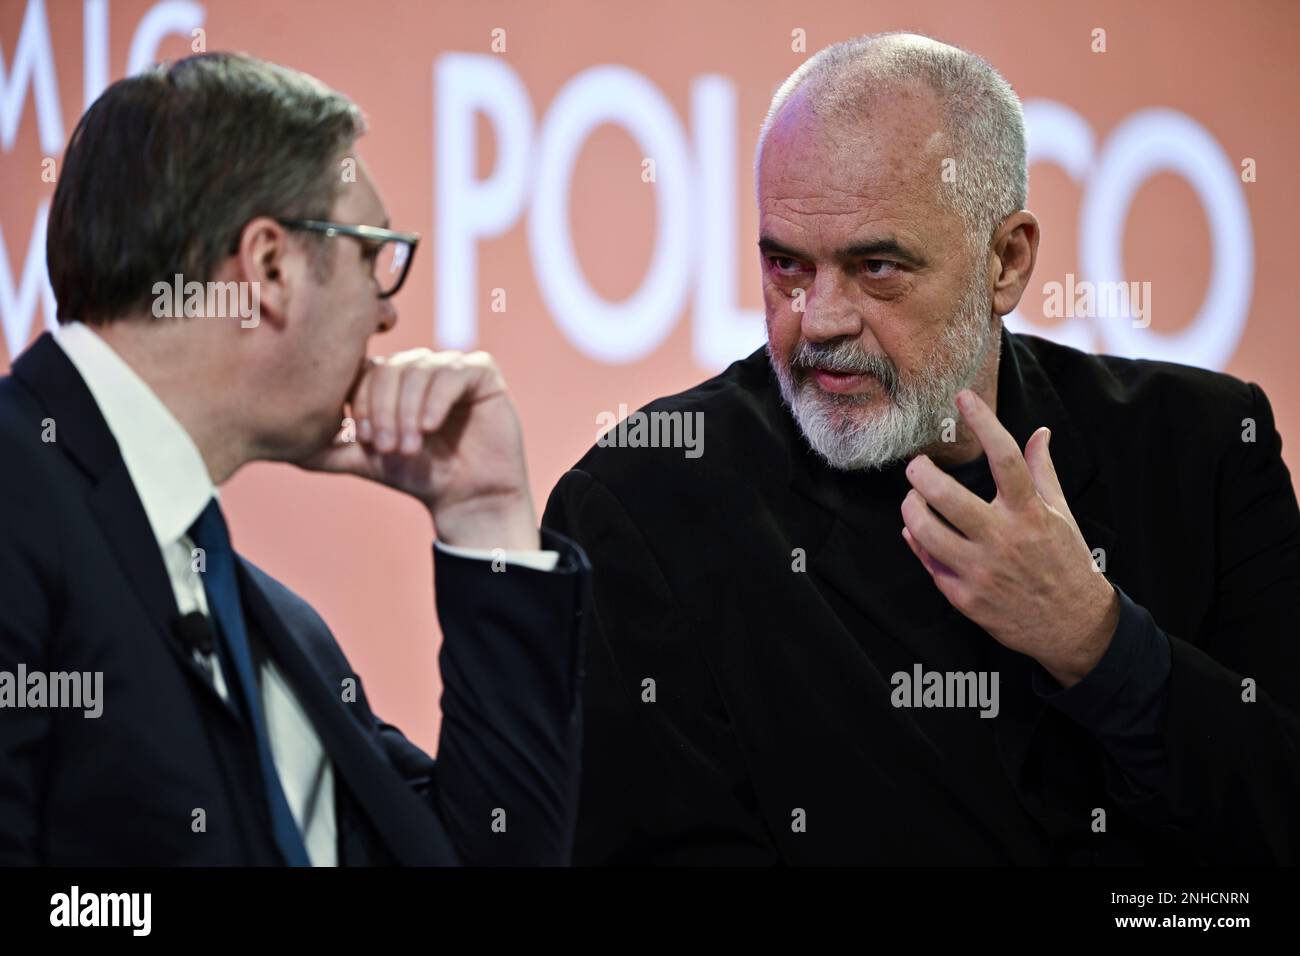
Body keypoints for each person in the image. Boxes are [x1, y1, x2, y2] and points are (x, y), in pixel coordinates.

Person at [543, 32, 1300, 864]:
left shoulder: (1203, 450)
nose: (818, 319)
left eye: (876, 267)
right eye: (786, 265)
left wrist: (1099, 641)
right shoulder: (642, 504)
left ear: (1006, 262)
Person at [0, 53, 588, 865]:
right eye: (371, 254)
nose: (387, 312)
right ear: (270, 267)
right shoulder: (17, 493)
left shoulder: (275, 631)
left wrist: (486, 519)